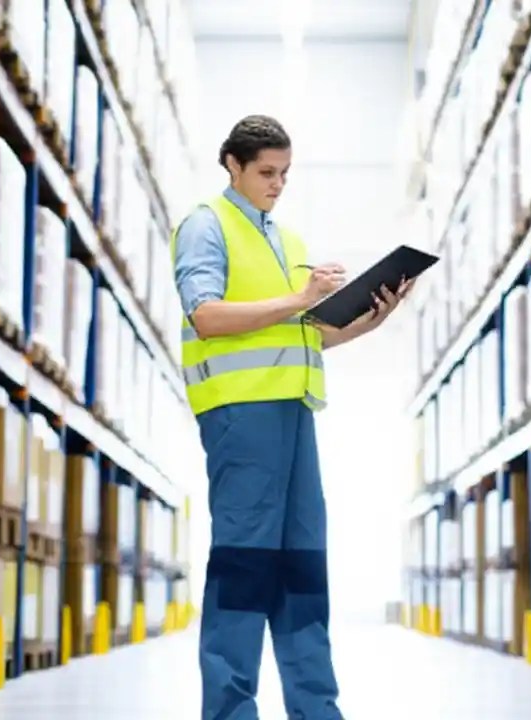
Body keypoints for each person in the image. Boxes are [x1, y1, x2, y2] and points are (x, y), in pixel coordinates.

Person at [171, 114, 412, 720]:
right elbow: (207, 316)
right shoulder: (206, 225)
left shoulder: (288, 242)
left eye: (285, 173)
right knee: (245, 566)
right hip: (240, 416)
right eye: (266, 173)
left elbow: (305, 339)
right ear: (233, 164)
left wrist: (369, 319)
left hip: (294, 415)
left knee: (304, 567)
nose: (278, 184)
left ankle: (317, 711)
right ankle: (229, 712)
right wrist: (303, 298)